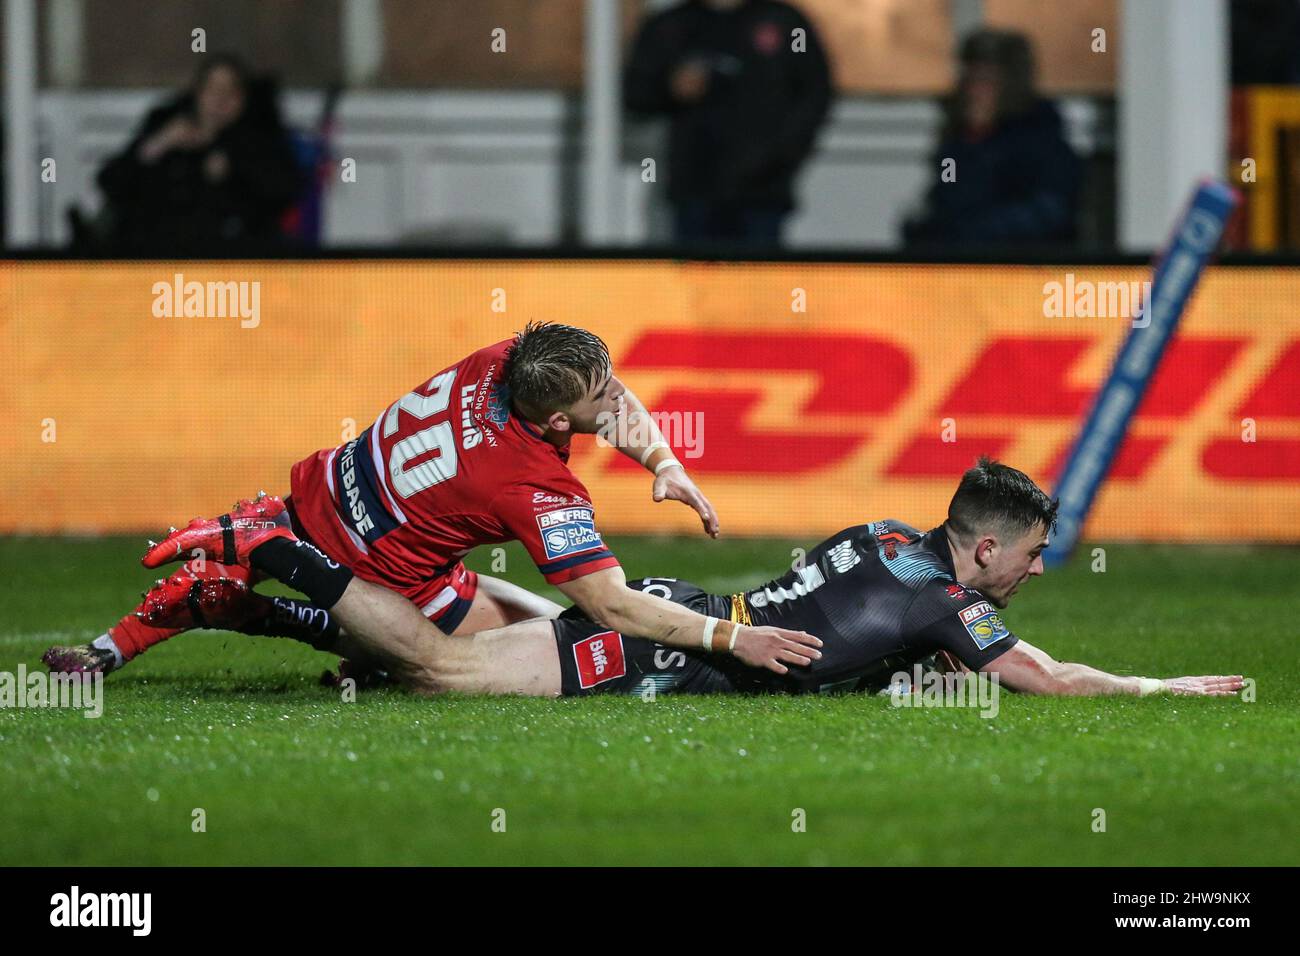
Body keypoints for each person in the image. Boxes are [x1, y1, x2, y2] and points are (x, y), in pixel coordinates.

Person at [87, 459, 1239, 701]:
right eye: (1031, 552)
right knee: (438, 667)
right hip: (664, 644)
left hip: (686, 606)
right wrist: (1165, 689)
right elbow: (1039, 677)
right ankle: (271, 556)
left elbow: (881, 634)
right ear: (982, 552)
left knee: (484, 618)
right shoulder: (954, 601)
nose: (1040, 568)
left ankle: (269, 602)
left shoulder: (893, 533)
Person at [43, 323, 821, 680]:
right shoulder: (530, 483)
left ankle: (137, 638)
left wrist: (660, 458)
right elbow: (614, 605)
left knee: (544, 626)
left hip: (326, 492)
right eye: (598, 402)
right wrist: (727, 638)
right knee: (483, 665)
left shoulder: (505, 361)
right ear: (556, 423)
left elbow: (605, 396)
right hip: (375, 565)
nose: (618, 402)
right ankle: (268, 594)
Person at [624, 0, 832, 247]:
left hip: (763, 189)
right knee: (697, 280)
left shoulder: (785, 23)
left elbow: (814, 93)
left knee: (758, 279)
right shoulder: (672, 25)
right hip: (695, 186)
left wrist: (782, 155)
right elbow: (636, 93)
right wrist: (671, 87)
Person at [89, 53, 300, 250]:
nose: (220, 99)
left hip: (229, 264)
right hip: (154, 259)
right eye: (213, 89)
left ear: (243, 100)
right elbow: (110, 183)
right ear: (198, 94)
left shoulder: (258, 138)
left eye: (230, 92)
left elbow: (285, 191)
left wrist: (235, 166)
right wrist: (157, 145)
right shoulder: (167, 126)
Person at [903, 29, 1082, 245]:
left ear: (1010, 86)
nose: (975, 91)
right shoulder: (957, 145)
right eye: (970, 80)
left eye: (986, 81)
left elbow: (1048, 216)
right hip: (962, 270)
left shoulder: (1042, 144)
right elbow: (946, 203)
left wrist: (973, 232)